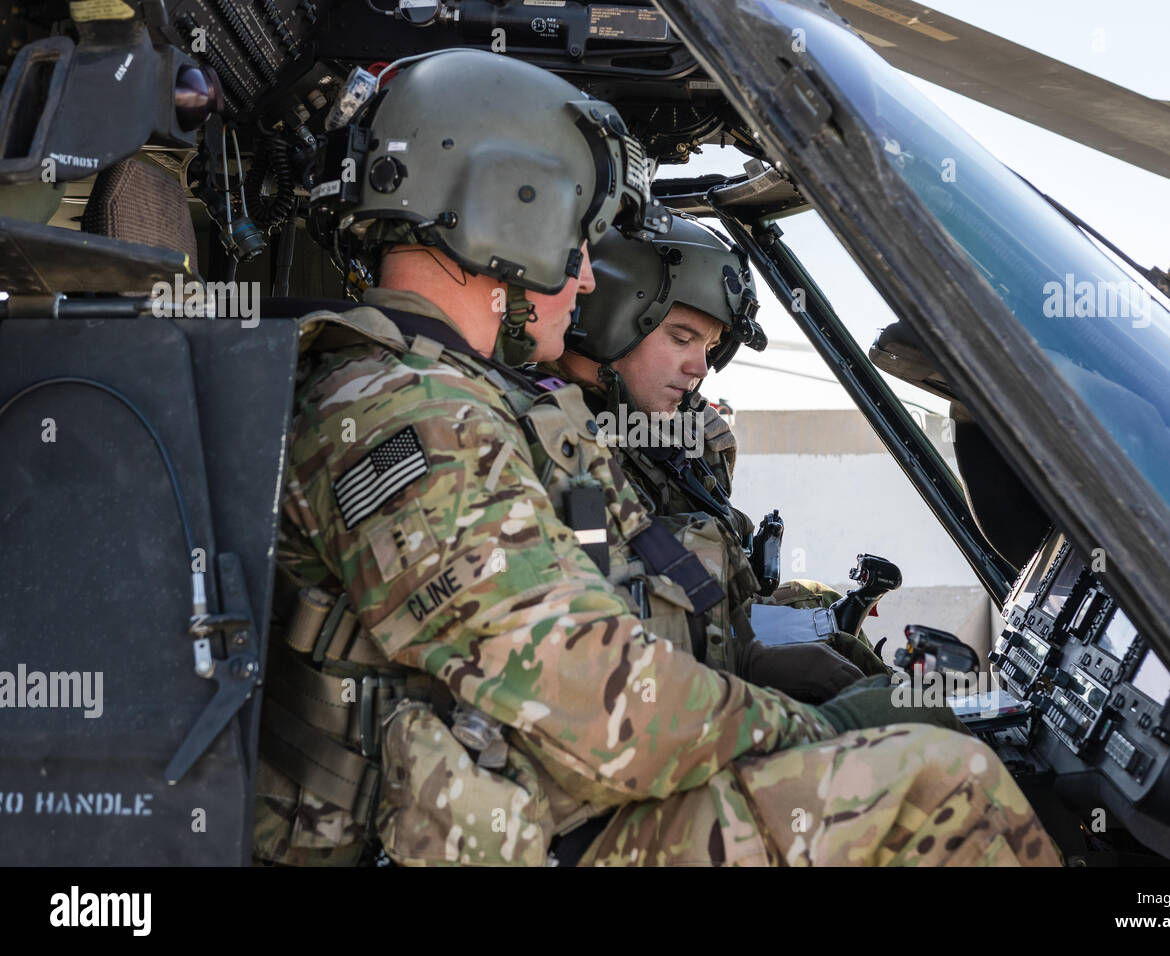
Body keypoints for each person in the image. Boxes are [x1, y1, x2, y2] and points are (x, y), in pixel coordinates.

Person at [255, 47, 1058, 867]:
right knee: (938, 783)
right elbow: (593, 701)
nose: (582, 284)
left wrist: (765, 668)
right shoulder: (408, 410)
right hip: (509, 838)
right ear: (506, 212)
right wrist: (821, 728)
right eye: (574, 246)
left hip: (533, 813)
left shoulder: (464, 394)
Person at [554, 213, 893, 679]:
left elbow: (731, 576)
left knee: (825, 607)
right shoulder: (554, 443)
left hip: (714, 653)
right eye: (681, 338)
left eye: (710, 347)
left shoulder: (663, 433)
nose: (700, 368)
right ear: (610, 317)